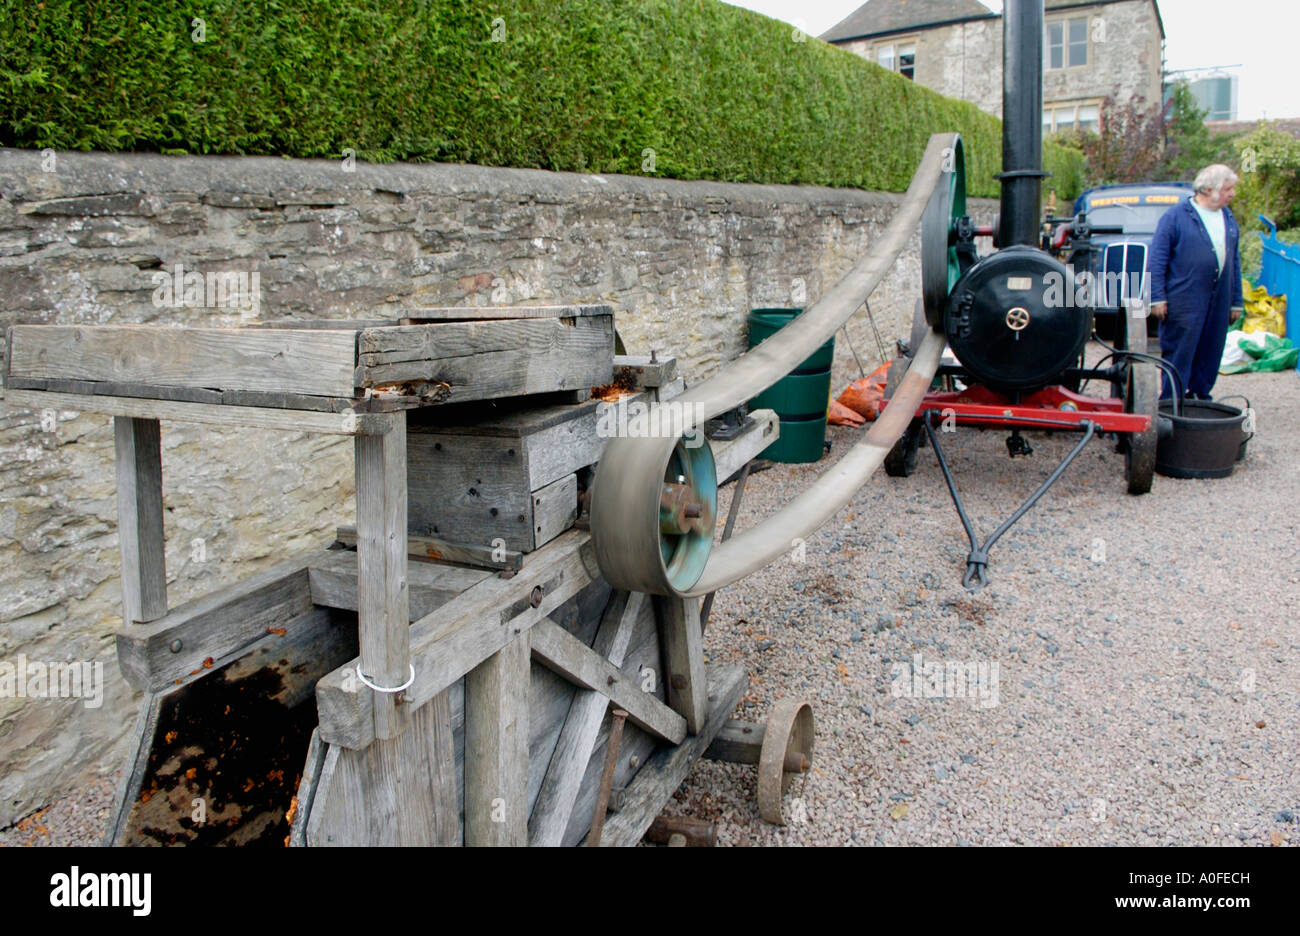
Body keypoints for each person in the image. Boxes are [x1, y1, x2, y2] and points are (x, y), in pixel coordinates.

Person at [1147, 164, 1244, 400]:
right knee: (1180, 349)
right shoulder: (1175, 217)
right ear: (1208, 189)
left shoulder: (1228, 217)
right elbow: (1157, 259)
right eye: (1227, 189)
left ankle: (1200, 397)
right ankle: (1172, 401)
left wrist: (1236, 302)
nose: (1232, 194)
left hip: (1218, 297)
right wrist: (1157, 297)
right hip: (1184, 297)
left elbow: (1234, 261)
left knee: (1211, 348)